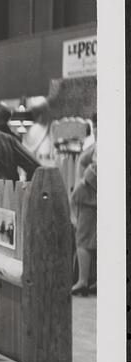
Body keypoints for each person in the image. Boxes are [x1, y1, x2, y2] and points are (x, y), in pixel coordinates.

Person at [70, 113, 97, 295]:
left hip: (89, 196)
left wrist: (82, 184)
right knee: (90, 239)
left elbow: (96, 168)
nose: (95, 128)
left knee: (84, 239)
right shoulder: (96, 143)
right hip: (90, 197)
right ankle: (87, 279)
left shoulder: (101, 144)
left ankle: (83, 280)